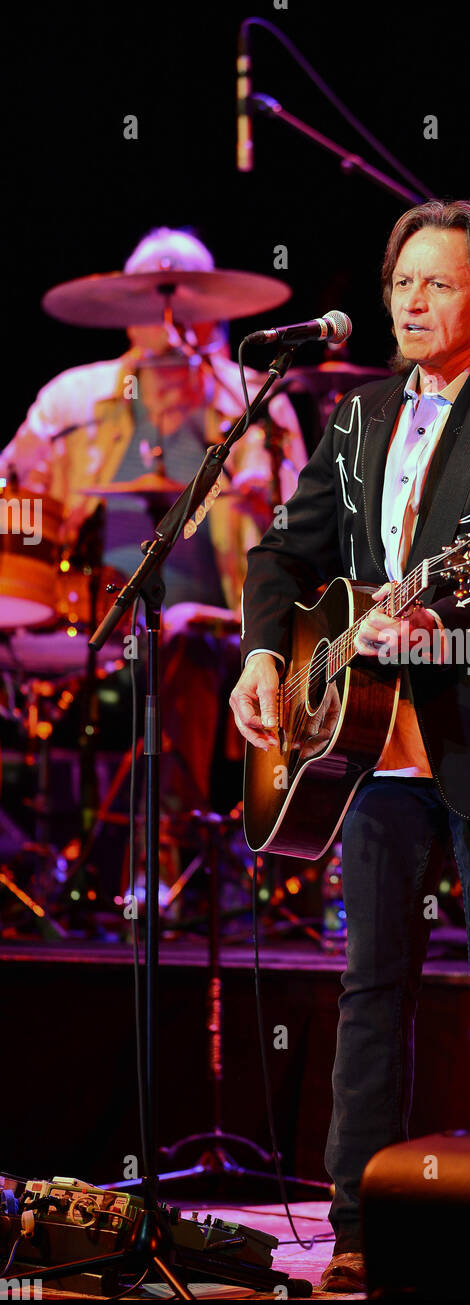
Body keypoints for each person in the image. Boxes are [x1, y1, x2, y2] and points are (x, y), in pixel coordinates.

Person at [230, 200, 470, 1292]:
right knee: (369, 987)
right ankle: (356, 1226)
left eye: (437, 283)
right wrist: (259, 655)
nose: (414, 302)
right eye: (401, 285)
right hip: (370, 746)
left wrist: (436, 619)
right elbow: (283, 556)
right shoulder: (354, 418)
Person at [1, 227, 307, 902]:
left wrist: (265, 492)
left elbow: (306, 531)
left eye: (192, 306)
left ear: (218, 313)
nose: (172, 320)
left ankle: (167, 865)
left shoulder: (255, 400)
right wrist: (33, 539)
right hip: (83, 608)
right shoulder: (71, 398)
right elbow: (15, 505)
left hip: (224, 619)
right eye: (155, 304)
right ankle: (29, 864)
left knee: (180, 646)